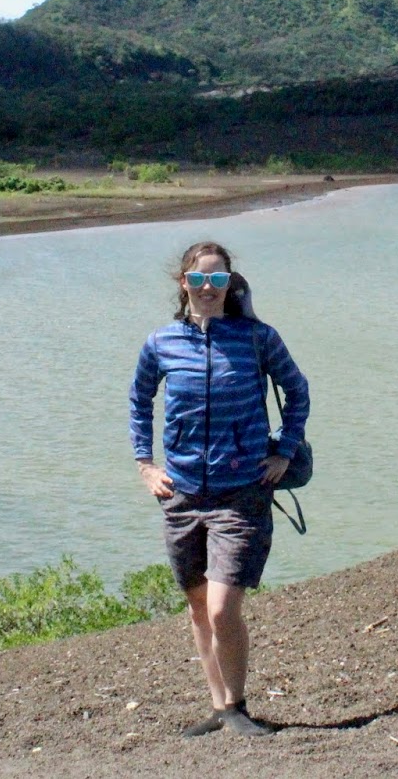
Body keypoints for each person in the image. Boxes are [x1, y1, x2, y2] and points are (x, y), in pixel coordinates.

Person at [128, 241, 309, 738]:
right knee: (197, 608)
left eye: (219, 280)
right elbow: (139, 400)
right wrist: (145, 465)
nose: (209, 289)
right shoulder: (161, 342)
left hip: (242, 493)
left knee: (223, 606)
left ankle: (238, 704)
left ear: (231, 285)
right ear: (183, 283)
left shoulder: (257, 338)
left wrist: (285, 451)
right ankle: (219, 706)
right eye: (199, 280)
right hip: (181, 495)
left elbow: (298, 390)